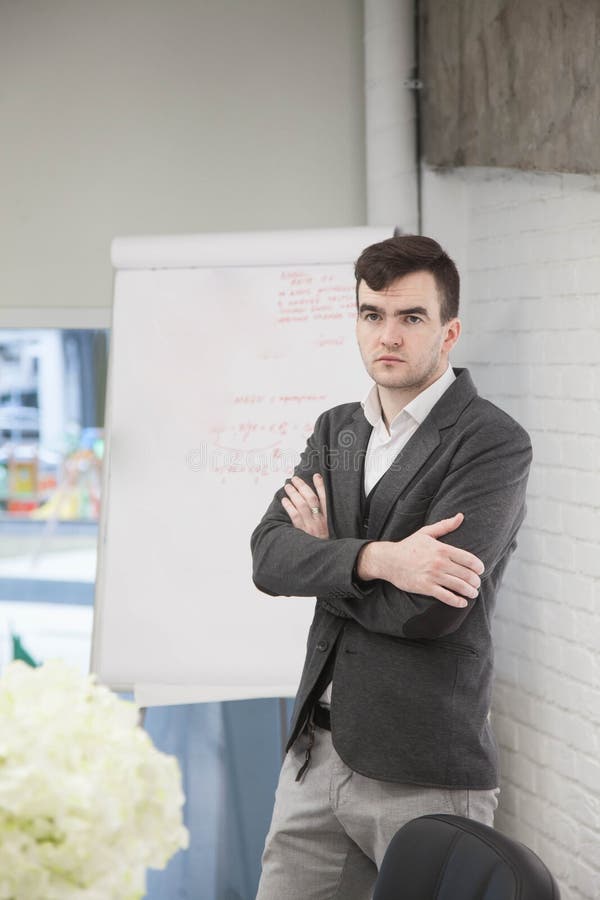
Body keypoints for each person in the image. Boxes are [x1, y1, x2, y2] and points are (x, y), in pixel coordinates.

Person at [251, 235, 532, 900]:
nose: (388, 335)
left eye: (411, 318)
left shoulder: (489, 441)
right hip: (315, 759)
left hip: (423, 770)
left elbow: (430, 611)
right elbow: (269, 556)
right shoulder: (338, 433)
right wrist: (383, 559)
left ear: (449, 330)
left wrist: (324, 564)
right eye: (371, 314)